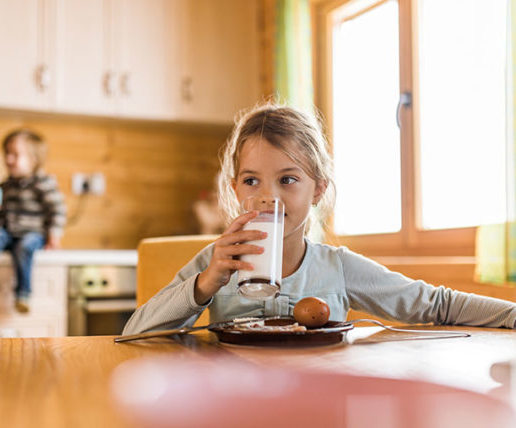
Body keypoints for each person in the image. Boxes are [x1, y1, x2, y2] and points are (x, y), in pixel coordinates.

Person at [123, 103, 516, 335]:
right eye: (251, 180)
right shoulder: (215, 264)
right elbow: (134, 333)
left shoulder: (337, 268)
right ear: (235, 188)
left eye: (288, 179)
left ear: (317, 189)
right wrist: (205, 284)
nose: (267, 196)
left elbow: (436, 304)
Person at [0, 128, 66, 313]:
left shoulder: (44, 183)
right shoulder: (5, 187)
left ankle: (24, 293)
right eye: (7, 154)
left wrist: (53, 237)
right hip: (8, 233)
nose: (8, 159)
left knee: (25, 247)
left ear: (33, 159)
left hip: (32, 233)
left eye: (15, 155)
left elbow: (57, 210)